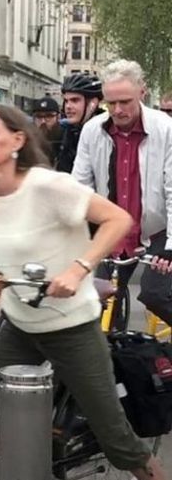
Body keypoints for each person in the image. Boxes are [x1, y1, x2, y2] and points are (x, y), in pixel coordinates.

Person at [0, 103, 172, 480]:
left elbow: (118, 219)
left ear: (17, 141)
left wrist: (79, 266)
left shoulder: (48, 186)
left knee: (114, 434)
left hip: (71, 324)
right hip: (19, 321)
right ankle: (37, 459)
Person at [71, 59, 172, 328]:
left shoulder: (165, 128)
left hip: (157, 231)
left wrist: (171, 247)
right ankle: (113, 362)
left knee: (155, 293)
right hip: (113, 231)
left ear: (142, 92)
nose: (117, 110)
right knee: (94, 302)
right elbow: (79, 187)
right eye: (110, 103)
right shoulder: (93, 130)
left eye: (125, 101)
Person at [55, 73, 104, 173]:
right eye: (66, 101)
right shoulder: (64, 131)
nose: (68, 106)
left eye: (75, 100)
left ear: (93, 104)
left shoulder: (105, 134)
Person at [31, 96, 63, 163]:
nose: (43, 121)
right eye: (38, 116)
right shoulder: (28, 142)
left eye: (49, 116)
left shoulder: (66, 140)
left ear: (58, 117)